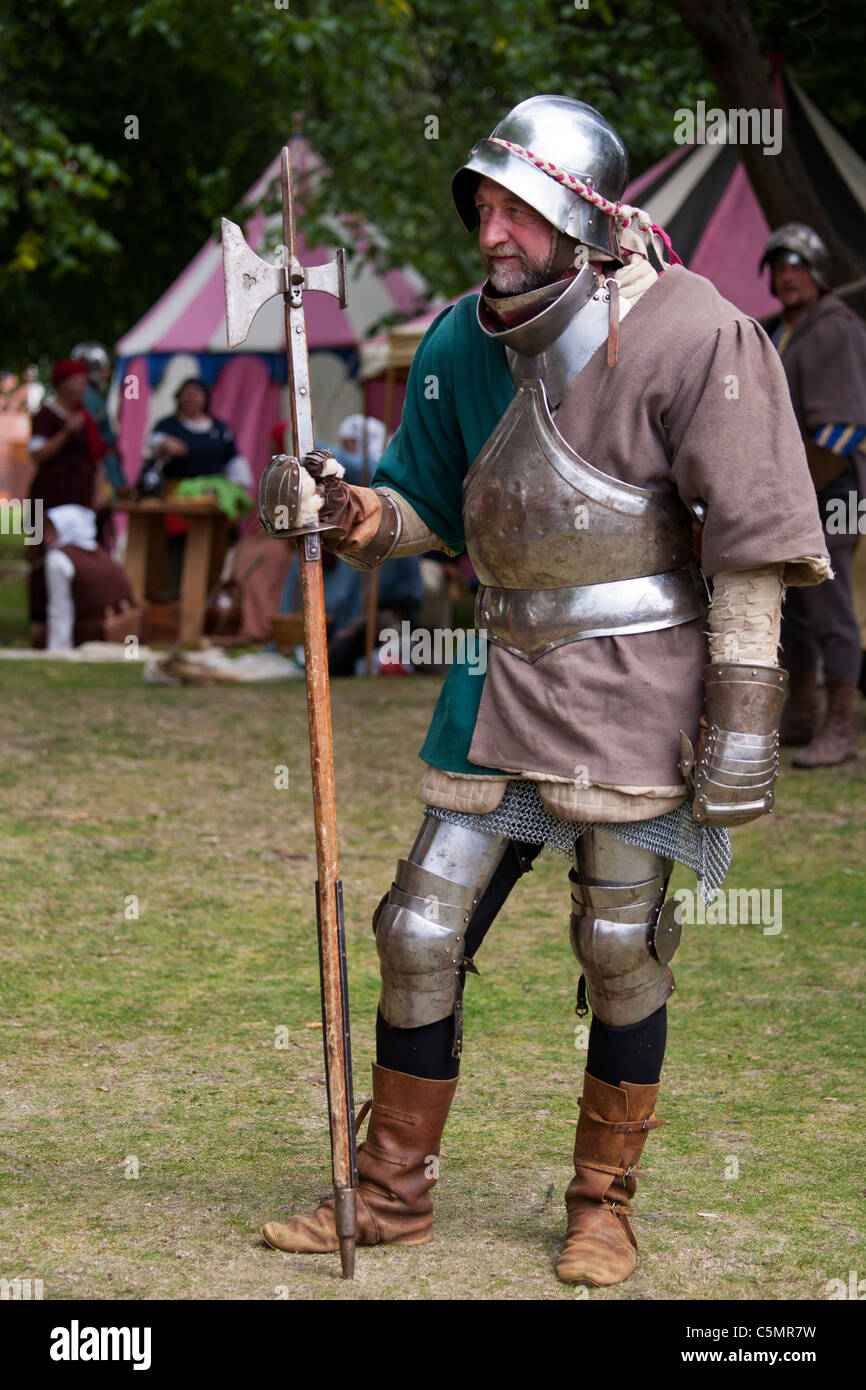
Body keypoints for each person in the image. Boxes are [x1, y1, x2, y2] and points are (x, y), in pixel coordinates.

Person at [256, 96, 829, 1286]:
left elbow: (752, 540)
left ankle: (602, 1203)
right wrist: (349, 509)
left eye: (517, 208)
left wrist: (740, 715)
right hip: (495, 677)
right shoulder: (459, 344)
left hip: (640, 691)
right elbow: (423, 502)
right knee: (415, 930)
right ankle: (388, 1190)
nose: (491, 232)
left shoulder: (693, 333)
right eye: (481, 205)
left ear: (584, 215)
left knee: (619, 946)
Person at [761, 224, 866, 766]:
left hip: (836, 491)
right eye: (778, 268)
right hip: (790, 492)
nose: (786, 276)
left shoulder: (836, 329)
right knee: (793, 606)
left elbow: (843, 429)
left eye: (797, 265)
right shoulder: (779, 329)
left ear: (818, 273)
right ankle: (801, 718)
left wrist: (795, 491)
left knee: (829, 608)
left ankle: (840, 727)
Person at [146, 378, 252, 597]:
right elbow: (155, 442)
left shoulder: (219, 428)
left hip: (212, 495)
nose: (191, 398)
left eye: (196, 393)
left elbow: (232, 458)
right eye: (186, 393)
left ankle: (208, 593)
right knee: (179, 543)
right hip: (177, 495)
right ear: (178, 398)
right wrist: (166, 445)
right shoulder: (168, 425)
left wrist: (239, 487)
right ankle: (176, 592)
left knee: (214, 543)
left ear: (205, 398)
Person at [28, 504, 139, 650]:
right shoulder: (101, 553)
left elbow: (60, 609)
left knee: (41, 635)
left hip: (101, 631)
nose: (47, 538)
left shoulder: (58, 558)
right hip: (133, 631)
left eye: (52, 531)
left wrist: (57, 650)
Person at [29, 360, 110, 529]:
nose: (81, 388)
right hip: (52, 491)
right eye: (75, 382)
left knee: (82, 546)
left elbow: (95, 457)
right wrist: (66, 432)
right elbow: (37, 455)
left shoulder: (86, 418)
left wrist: (99, 489)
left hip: (81, 492)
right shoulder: (46, 416)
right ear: (61, 384)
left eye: (83, 382)